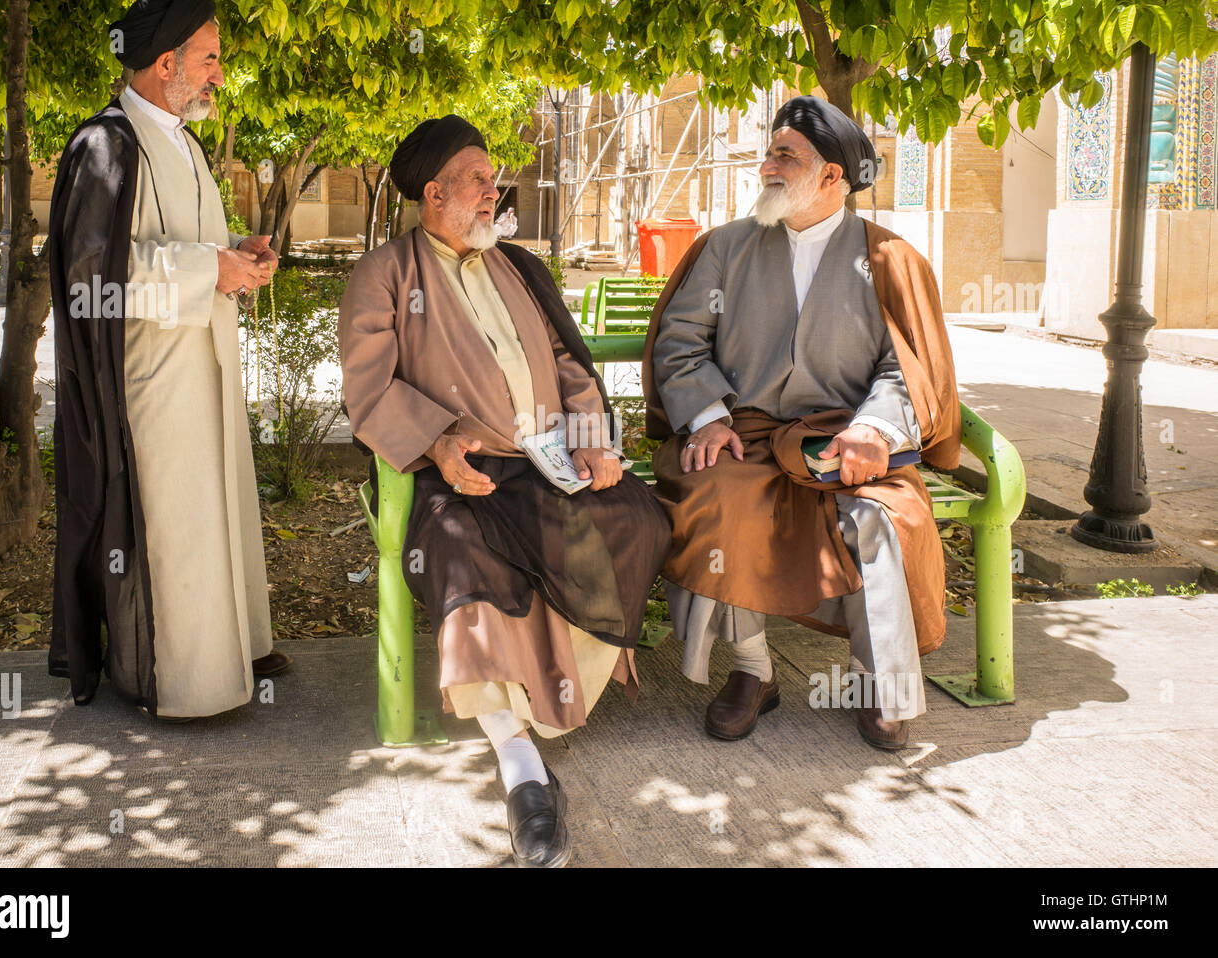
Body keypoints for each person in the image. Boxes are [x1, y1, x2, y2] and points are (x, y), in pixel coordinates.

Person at [339, 115, 671, 866]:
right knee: (464, 564)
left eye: (493, 181)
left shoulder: (517, 265)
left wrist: (593, 443)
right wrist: (438, 441)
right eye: (480, 182)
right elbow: (367, 389)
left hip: (549, 461)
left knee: (634, 519)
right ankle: (518, 761)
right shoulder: (385, 274)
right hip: (460, 473)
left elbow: (570, 361)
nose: (496, 193)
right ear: (434, 194)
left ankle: (553, 695)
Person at [643, 95, 961, 750]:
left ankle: (881, 684)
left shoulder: (888, 261)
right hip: (746, 434)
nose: (767, 165)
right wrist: (704, 415)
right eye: (770, 151)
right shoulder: (725, 249)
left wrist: (874, 431)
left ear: (832, 177)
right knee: (716, 495)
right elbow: (680, 343)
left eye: (784, 155)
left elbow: (907, 373)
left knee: (882, 520)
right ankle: (754, 671)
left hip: (849, 440)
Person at [48, 0, 290, 722]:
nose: (221, 72)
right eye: (210, 58)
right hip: (150, 383)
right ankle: (188, 684)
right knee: (178, 528)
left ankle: (233, 653)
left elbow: (183, 243)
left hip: (202, 362)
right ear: (166, 65)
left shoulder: (182, 142)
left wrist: (236, 256)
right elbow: (97, 276)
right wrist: (208, 271)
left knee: (218, 512)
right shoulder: (105, 147)